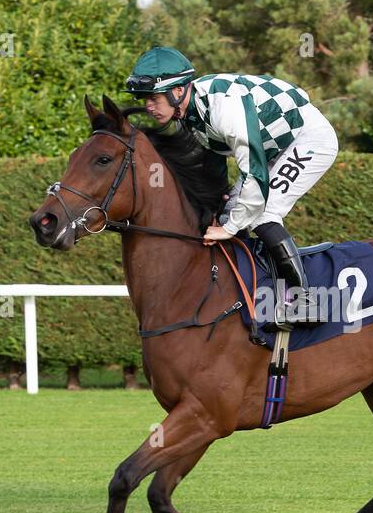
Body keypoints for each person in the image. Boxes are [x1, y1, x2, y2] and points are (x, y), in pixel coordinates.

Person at [125, 46, 339, 330]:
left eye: (153, 98)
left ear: (177, 92)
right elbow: (213, 163)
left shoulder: (223, 107)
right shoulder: (188, 114)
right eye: (144, 99)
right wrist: (221, 211)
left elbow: (254, 168)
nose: (149, 107)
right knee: (231, 214)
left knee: (262, 213)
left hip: (308, 139)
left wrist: (229, 228)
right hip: (273, 149)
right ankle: (257, 292)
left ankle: (304, 301)